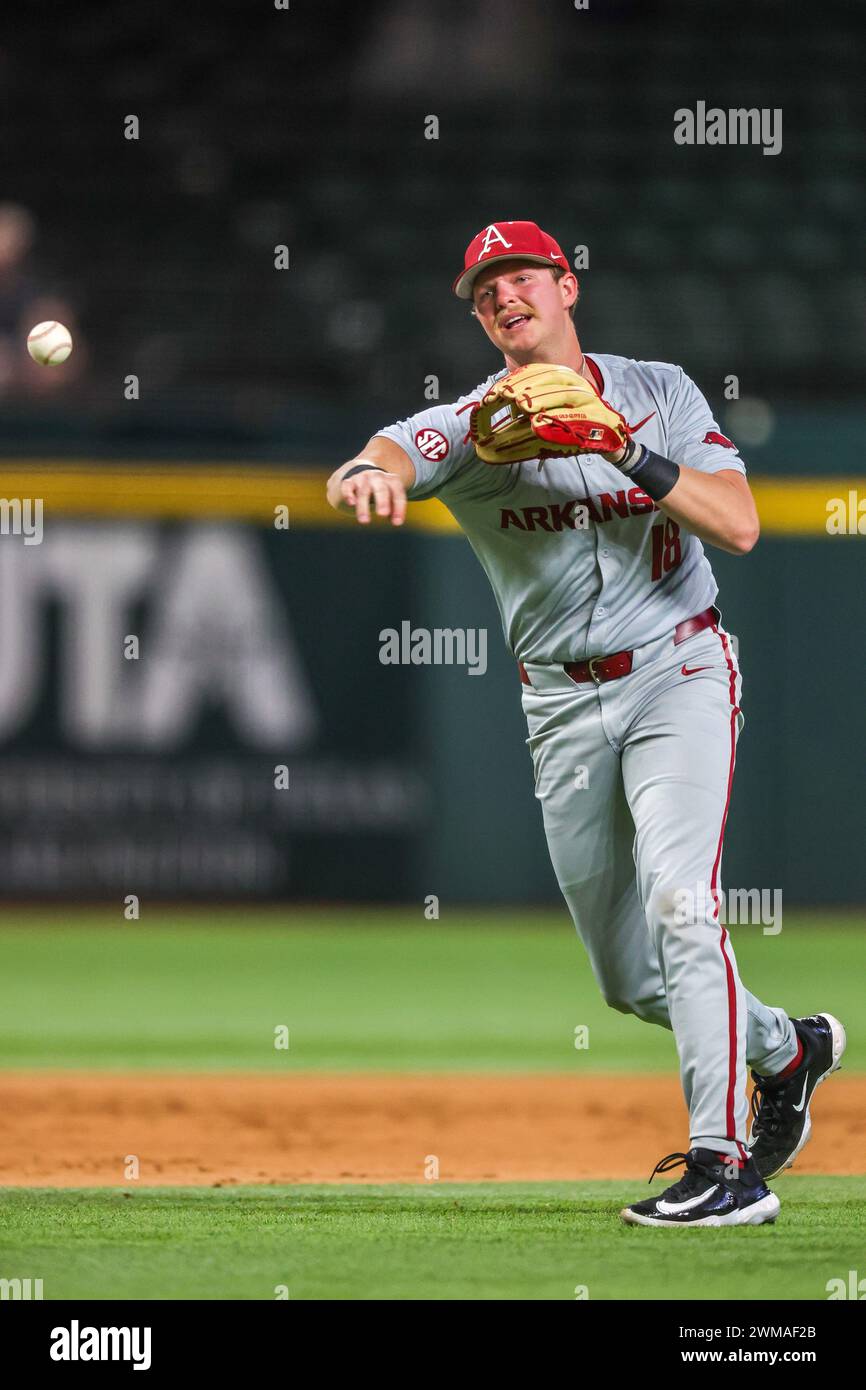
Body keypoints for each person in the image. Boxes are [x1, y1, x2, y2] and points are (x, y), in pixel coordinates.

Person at [326, 220, 846, 1227]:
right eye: (482, 291)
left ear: (565, 284)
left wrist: (621, 446)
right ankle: (785, 1047)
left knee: (679, 902)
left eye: (518, 274)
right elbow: (392, 445)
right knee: (628, 977)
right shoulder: (477, 429)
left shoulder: (657, 391)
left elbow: (736, 523)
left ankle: (723, 1166)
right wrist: (365, 472)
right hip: (559, 701)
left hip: (676, 674)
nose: (501, 296)